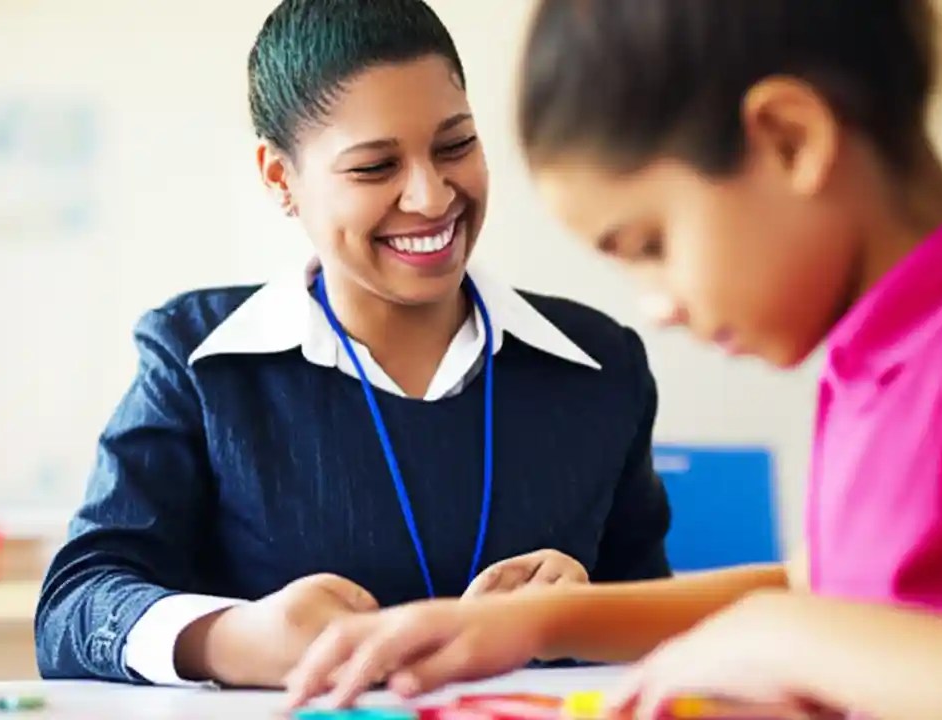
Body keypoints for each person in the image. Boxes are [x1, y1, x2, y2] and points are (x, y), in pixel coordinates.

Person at [284, 0, 942, 717]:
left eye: (651, 246)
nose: (659, 306)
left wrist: (777, 635)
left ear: (790, 140)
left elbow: (810, 622)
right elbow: (827, 594)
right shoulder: (879, 357)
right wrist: (533, 622)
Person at [34, 0, 672, 689]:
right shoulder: (199, 360)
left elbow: (661, 626)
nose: (431, 197)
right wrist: (236, 639)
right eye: (374, 167)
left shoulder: (600, 367)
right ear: (281, 179)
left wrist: (583, 617)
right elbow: (75, 606)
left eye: (455, 145)